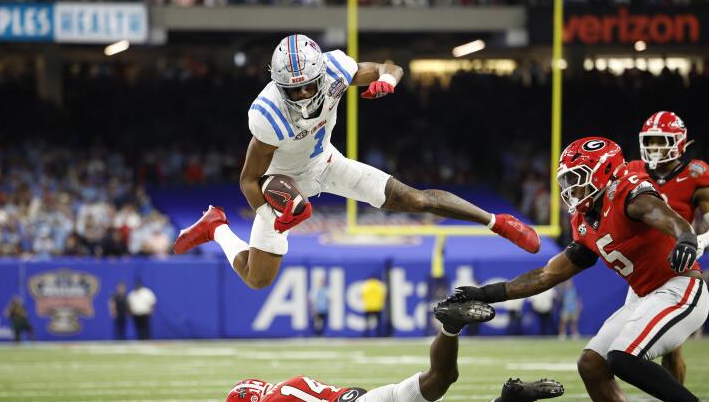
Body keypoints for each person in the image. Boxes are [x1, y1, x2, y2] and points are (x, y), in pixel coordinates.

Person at [450, 137, 709, 402]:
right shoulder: (586, 220)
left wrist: (686, 237)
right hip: (648, 296)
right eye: (566, 179)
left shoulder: (629, 193)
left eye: (577, 176)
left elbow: (664, 214)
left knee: (622, 356)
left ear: (605, 172)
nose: (570, 186)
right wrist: (486, 293)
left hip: (681, 288)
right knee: (592, 364)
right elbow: (545, 274)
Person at [173, 34, 540, 290]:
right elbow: (248, 180)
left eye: (307, 85)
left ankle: (497, 222)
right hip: (280, 185)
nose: (302, 94)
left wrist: (387, 80)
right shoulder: (267, 114)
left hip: (327, 162)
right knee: (258, 279)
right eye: (293, 89)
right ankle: (216, 226)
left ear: (321, 74)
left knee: (415, 199)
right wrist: (272, 214)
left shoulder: (334, 69)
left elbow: (390, 67)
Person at [222, 299, 564, 402]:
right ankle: (450, 328)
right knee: (440, 377)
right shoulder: (289, 386)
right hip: (368, 401)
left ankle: (505, 401)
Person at [632, 111, 709, 402]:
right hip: (640, 271)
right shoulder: (635, 173)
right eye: (651, 141)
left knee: (671, 348)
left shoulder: (696, 174)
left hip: (676, 270)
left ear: (680, 143)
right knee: (625, 348)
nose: (656, 148)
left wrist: (697, 242)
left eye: (663, 140)